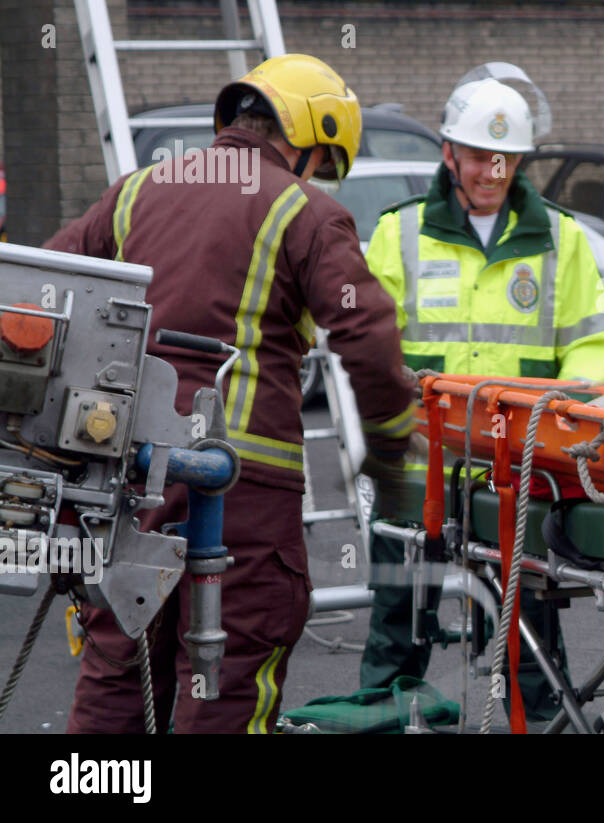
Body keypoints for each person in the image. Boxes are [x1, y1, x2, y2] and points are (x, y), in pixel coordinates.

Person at [44, 53, 415, 733]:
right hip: (242, 491)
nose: (321, 177)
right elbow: (366, 328)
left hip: (131, 486)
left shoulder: (136, 190)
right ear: (307, 135)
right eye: (324, 160)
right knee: (224, 679)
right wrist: (393, 443)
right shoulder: (306, 211)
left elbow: (46, 291)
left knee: (117, 672)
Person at [361, 62, 604, 720]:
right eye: (480, 157)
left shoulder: (562, 241)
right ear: (449, 153)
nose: (493, 173)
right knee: (399, 615)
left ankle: (541, 721)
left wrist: (562, 424)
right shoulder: (398, 234)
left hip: (519, 474)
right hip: (418, 472)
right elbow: (365, 350)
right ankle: (382, 717)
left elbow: (596, 349)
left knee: (527, 621)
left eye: (507, 160)